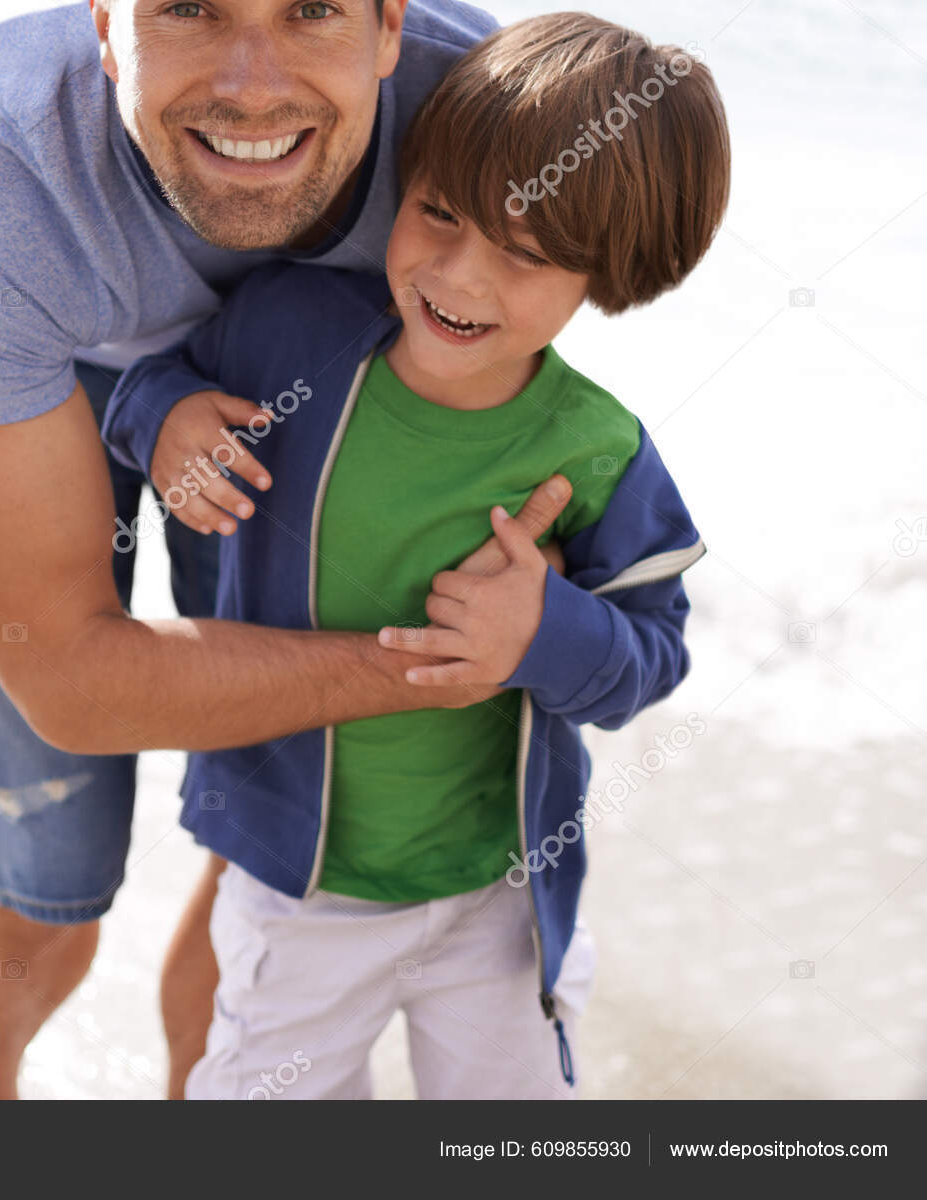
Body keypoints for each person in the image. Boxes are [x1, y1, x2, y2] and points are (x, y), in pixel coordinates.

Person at [0, 0, 591, 1100]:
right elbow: (71, 679)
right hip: (46, 377)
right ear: (107, 23)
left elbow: (520, 363)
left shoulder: (483, 116)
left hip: (306, 388)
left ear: (390, 27)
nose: (252, 83)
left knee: (268, 841)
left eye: (311, 11)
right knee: (45, 864)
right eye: (191, 9)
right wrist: (434, 666)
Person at [101, 11, 730, 1098]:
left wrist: (546, 631)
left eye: (524, 255)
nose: (457, 274)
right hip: (299, 889)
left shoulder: (596, 451)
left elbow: (651, 658)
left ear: (610, 271)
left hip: (499, 896)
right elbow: (142, 382)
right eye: (436, 211)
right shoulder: (290, 330)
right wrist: (162, 422)